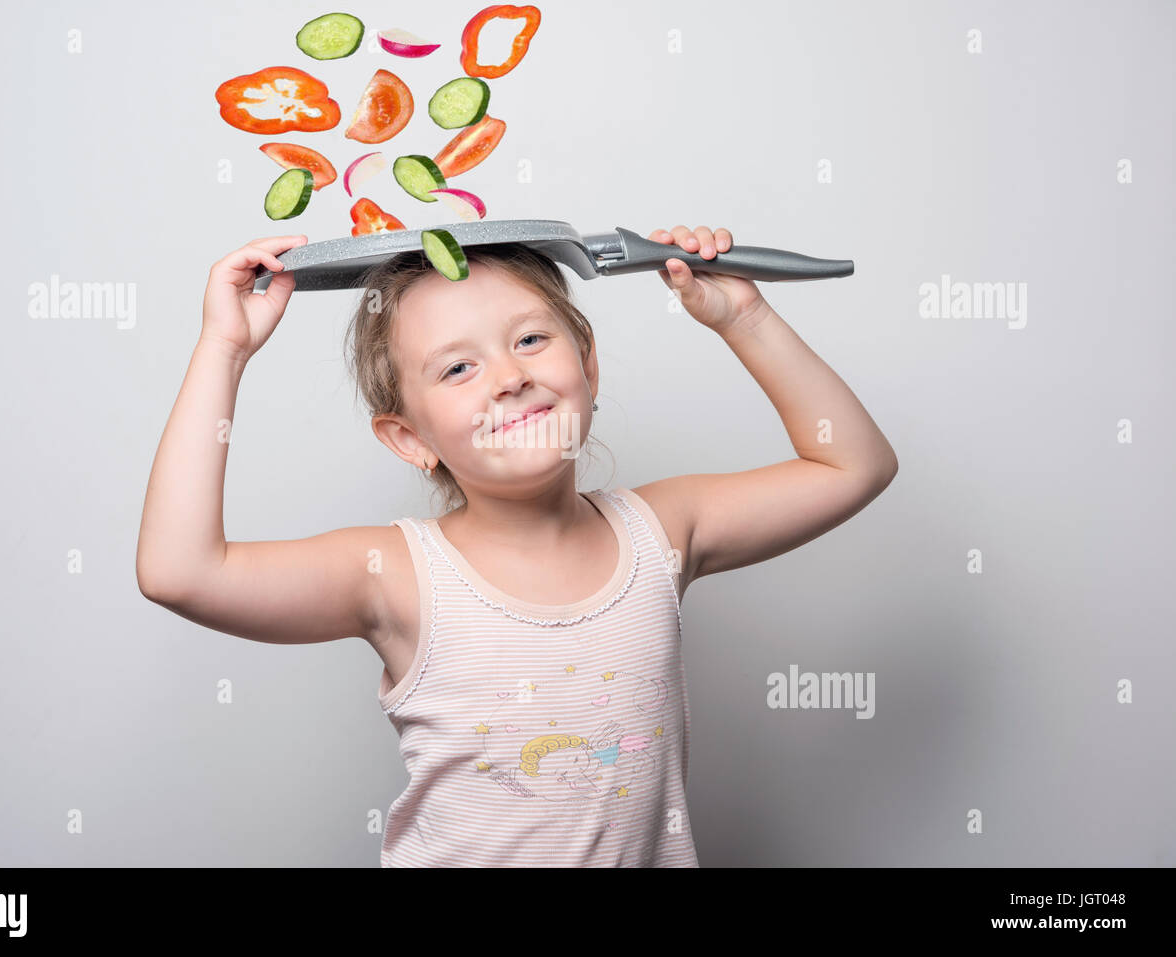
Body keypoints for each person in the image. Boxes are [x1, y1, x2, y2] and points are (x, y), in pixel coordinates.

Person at [135, 224, 899, 867]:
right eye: (459, 367)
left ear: (587, 367)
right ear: (409, 438)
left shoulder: (663, 530)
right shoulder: (395, 575)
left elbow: (854, 464)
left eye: (531, 339)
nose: (509, 376)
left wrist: (744, 317)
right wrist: (224, 348)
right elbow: (180, 571)